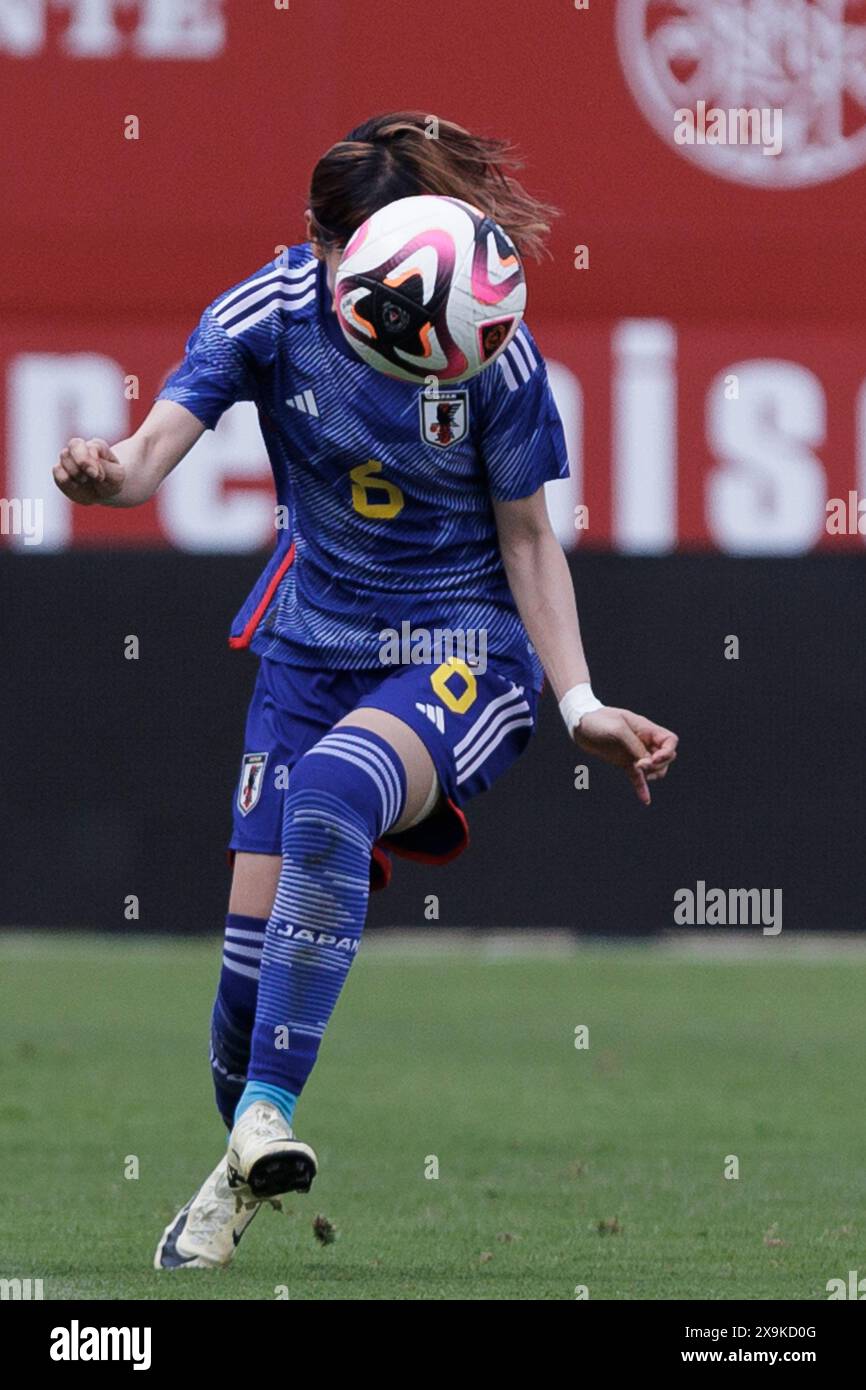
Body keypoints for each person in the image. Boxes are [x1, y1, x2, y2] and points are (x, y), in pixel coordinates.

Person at [52, 112, 678, 1270]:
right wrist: (102, 477)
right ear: (319, 243)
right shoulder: (269, 314)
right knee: (242, 995)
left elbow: (531, 539)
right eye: (351, 258)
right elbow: (143, 464)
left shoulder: (491, 350)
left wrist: (580, 696)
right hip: (308, 651)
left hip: (459, 652)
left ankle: (267, 1109)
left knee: (335, 789)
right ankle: (250, 1134)